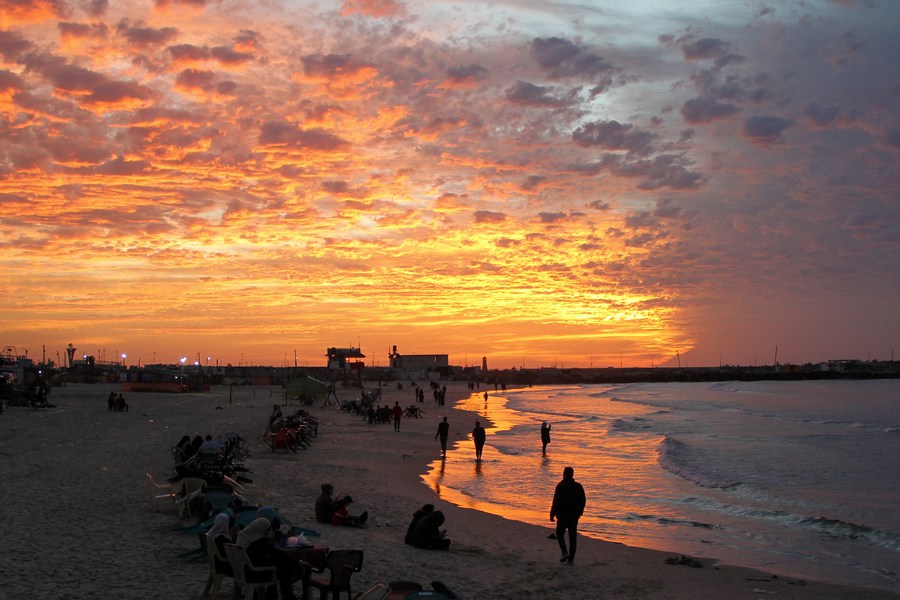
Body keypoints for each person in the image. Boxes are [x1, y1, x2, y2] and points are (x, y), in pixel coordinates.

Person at [236, 517, 301, 600]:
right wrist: (297, 561)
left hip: (242, 571)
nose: (268, 532)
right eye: (267, 529)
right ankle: (280, 594)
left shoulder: (243, 535)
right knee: (283, 566)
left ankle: (276, 594)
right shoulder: (258, 540)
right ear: (262, 529)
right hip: (253, 573)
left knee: (279, 564)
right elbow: (275, 552)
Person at [550, 466, 586, 565]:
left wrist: (552, 514)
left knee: (559, 533)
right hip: (574, 516)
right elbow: (583, 500)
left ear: (564, 474)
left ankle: (564, 552)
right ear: (572, 475)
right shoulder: (578, 486)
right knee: (572, 536)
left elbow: (556, 502)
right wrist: (580, 512)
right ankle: (571, 559)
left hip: (562, 515)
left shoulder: (560, 486)